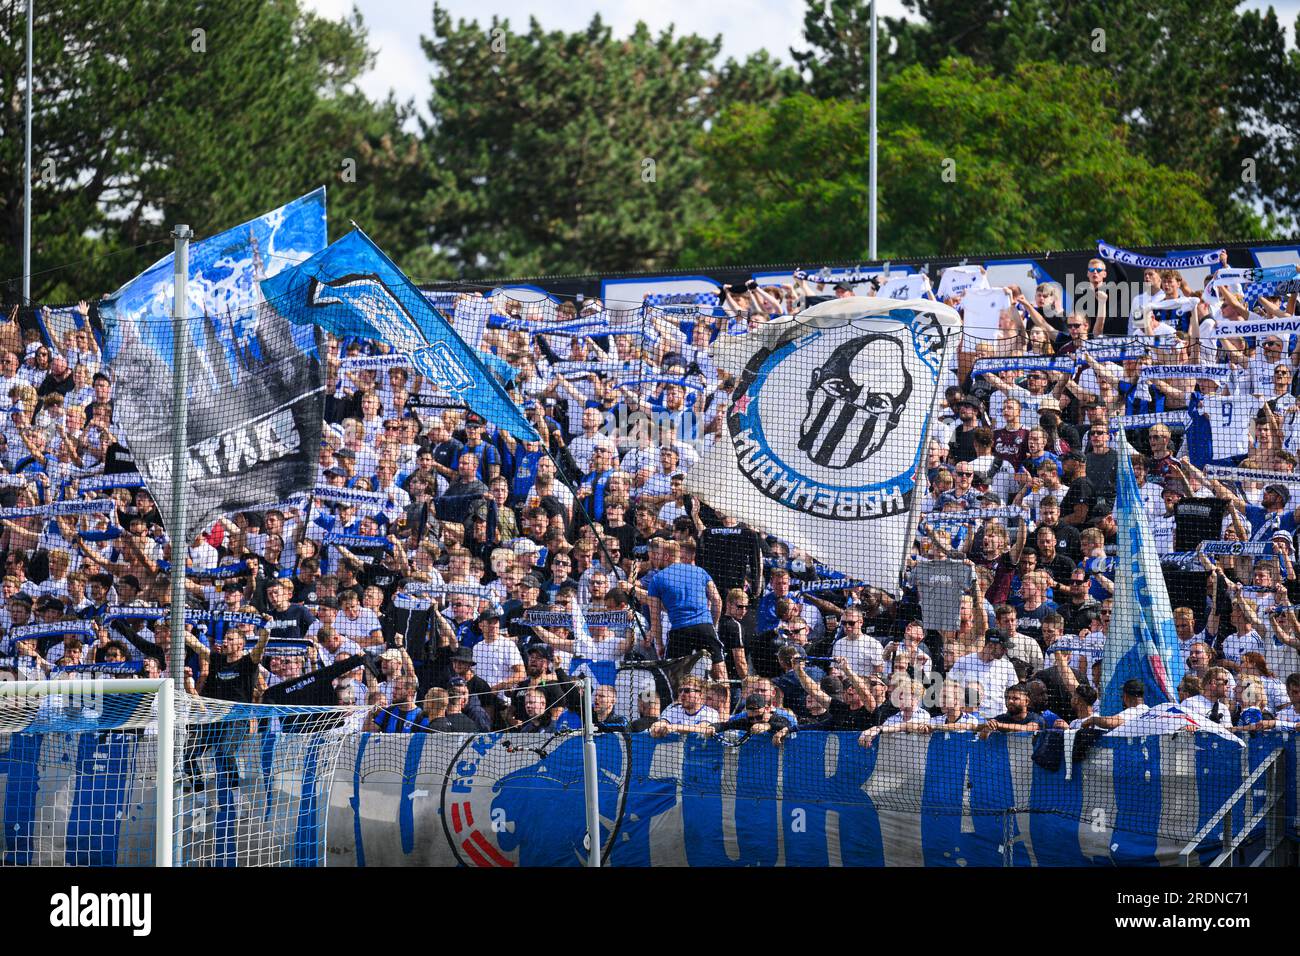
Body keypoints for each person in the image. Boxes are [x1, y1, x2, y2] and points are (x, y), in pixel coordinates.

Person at [645, 540, 724, 679]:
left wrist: (659, 645)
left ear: (666, 557)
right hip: (704, 627)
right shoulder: (700, 571)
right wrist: (713, 625)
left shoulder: (657, 579)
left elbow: (655, 618)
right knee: (720, 671)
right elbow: (717, 600)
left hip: (680, 632)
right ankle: (727, 698)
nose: (656, 559)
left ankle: (677, 700)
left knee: (674, 678)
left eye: (658, 555)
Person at [711, 693, 793, 746]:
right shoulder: (746, 722)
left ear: (767, 709)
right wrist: (712, 728)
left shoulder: (777, 718)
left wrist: (767, 726)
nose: (755, 721)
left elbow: (787, 724)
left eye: (759, 717)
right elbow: (725, 725)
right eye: (751, 718)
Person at [648, 676, 720, 737]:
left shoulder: (710, 712)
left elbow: (703, 728)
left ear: (700, 694)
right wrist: (657, 727)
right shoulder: (673, 709)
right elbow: (659, 724)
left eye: (687, 691)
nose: (682, 694)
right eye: (680, 691)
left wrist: (673, 727)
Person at [977, 683, 1047, 737]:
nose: (1010, 701)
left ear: (1027, 702)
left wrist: (998, 725)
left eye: (1015, 698)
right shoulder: (1002, 718)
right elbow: (983, 738)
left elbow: (1026, 729)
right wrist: (987, 728)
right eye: (1008, 698)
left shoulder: (1037, 718)